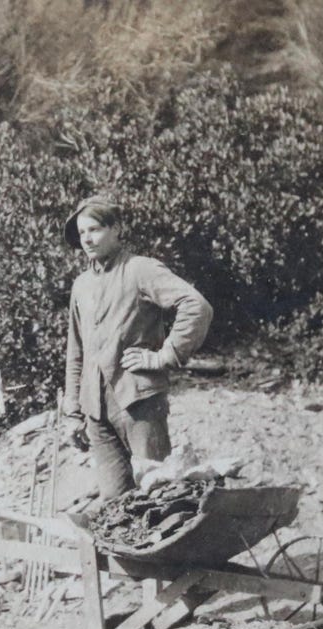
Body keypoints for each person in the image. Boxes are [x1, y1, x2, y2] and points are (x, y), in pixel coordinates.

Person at [61, 193, 213, 501]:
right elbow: (76, 351)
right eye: (82, 233)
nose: (88, 239)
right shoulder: (81, 286)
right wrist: (73, 411)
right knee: (115, 503)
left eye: (95, 229)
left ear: (116, 229)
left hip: (138, 401)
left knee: (159, 493)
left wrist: (164, 356)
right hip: (96, 410)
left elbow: (196, 306)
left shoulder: (140, 270)